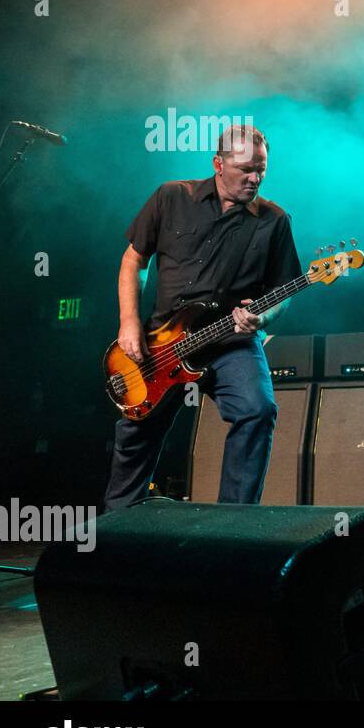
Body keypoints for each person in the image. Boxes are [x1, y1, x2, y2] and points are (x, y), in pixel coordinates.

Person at [105, 124, 302, 510]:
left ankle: (232, 525)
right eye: (246, 169)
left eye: (261, 169)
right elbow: (134, 260)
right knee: (137, 431)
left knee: (258, 410)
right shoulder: (171, 196)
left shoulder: (274, 220)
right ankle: (116, 529)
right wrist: (129, 322)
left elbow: (286, 291)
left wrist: (262, 319)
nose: (255, 178)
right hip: (163, 341)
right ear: (218, 163)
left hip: (230, 343)